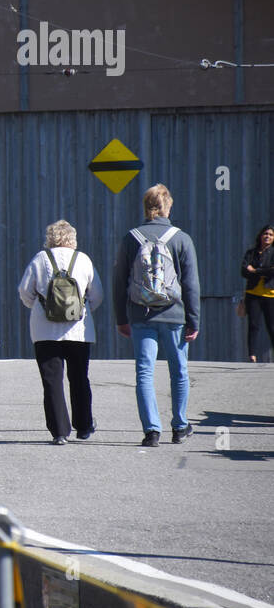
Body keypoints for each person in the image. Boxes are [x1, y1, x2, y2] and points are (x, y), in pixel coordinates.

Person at [113, 184, 201, 447]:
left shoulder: (131, 238)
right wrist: (194, 320)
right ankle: (180, 426)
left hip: (141, 314)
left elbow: (119, 281)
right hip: (174, 315)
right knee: (179, 371)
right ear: (167, 206)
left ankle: (152, 431)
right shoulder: (182, 238)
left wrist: (121, 317)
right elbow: (191, 284)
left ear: (146, 207)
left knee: (144, 371)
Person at [18, 220, 104, 445]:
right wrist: (81, 309)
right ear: (72, 238)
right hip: (78, 330)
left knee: (52, 380)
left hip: (45, 330)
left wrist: (39, 307)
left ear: (50, 238)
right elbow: (97, 294)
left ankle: (59, 431)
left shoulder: (40, 258)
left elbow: (25, 291)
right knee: (79, 377)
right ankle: (84, 426)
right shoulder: (83, 259)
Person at [241, 224, 274, 362]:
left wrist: (255, 271)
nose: (268, 237)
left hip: (270, 294)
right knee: (253, 325)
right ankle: (252, 355)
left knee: (271, 326)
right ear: (261, 236)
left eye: (271, 235)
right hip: (252, 293)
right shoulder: (251, 253)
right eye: (265, 234)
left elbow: (272, 271)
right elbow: (243, 271)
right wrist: (263, 271)